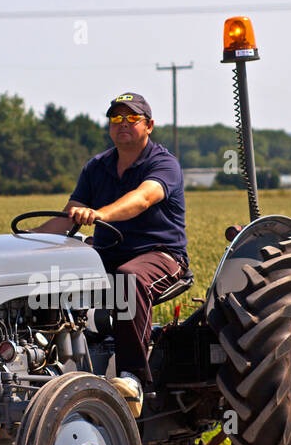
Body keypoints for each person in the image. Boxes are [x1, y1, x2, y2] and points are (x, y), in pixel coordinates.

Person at [33, 92, 189, 415]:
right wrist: (25, 244)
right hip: (106, 254)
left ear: (149, 126)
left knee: (127, 280)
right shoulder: (97, 167)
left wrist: (101, 214)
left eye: (132, 118)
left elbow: (143, 198)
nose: (123, 124)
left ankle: (132, 380)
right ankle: (44, 364)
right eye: (116, 118)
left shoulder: (163, 164)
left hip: (160, 255)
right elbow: (69, 215)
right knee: (46, 278)